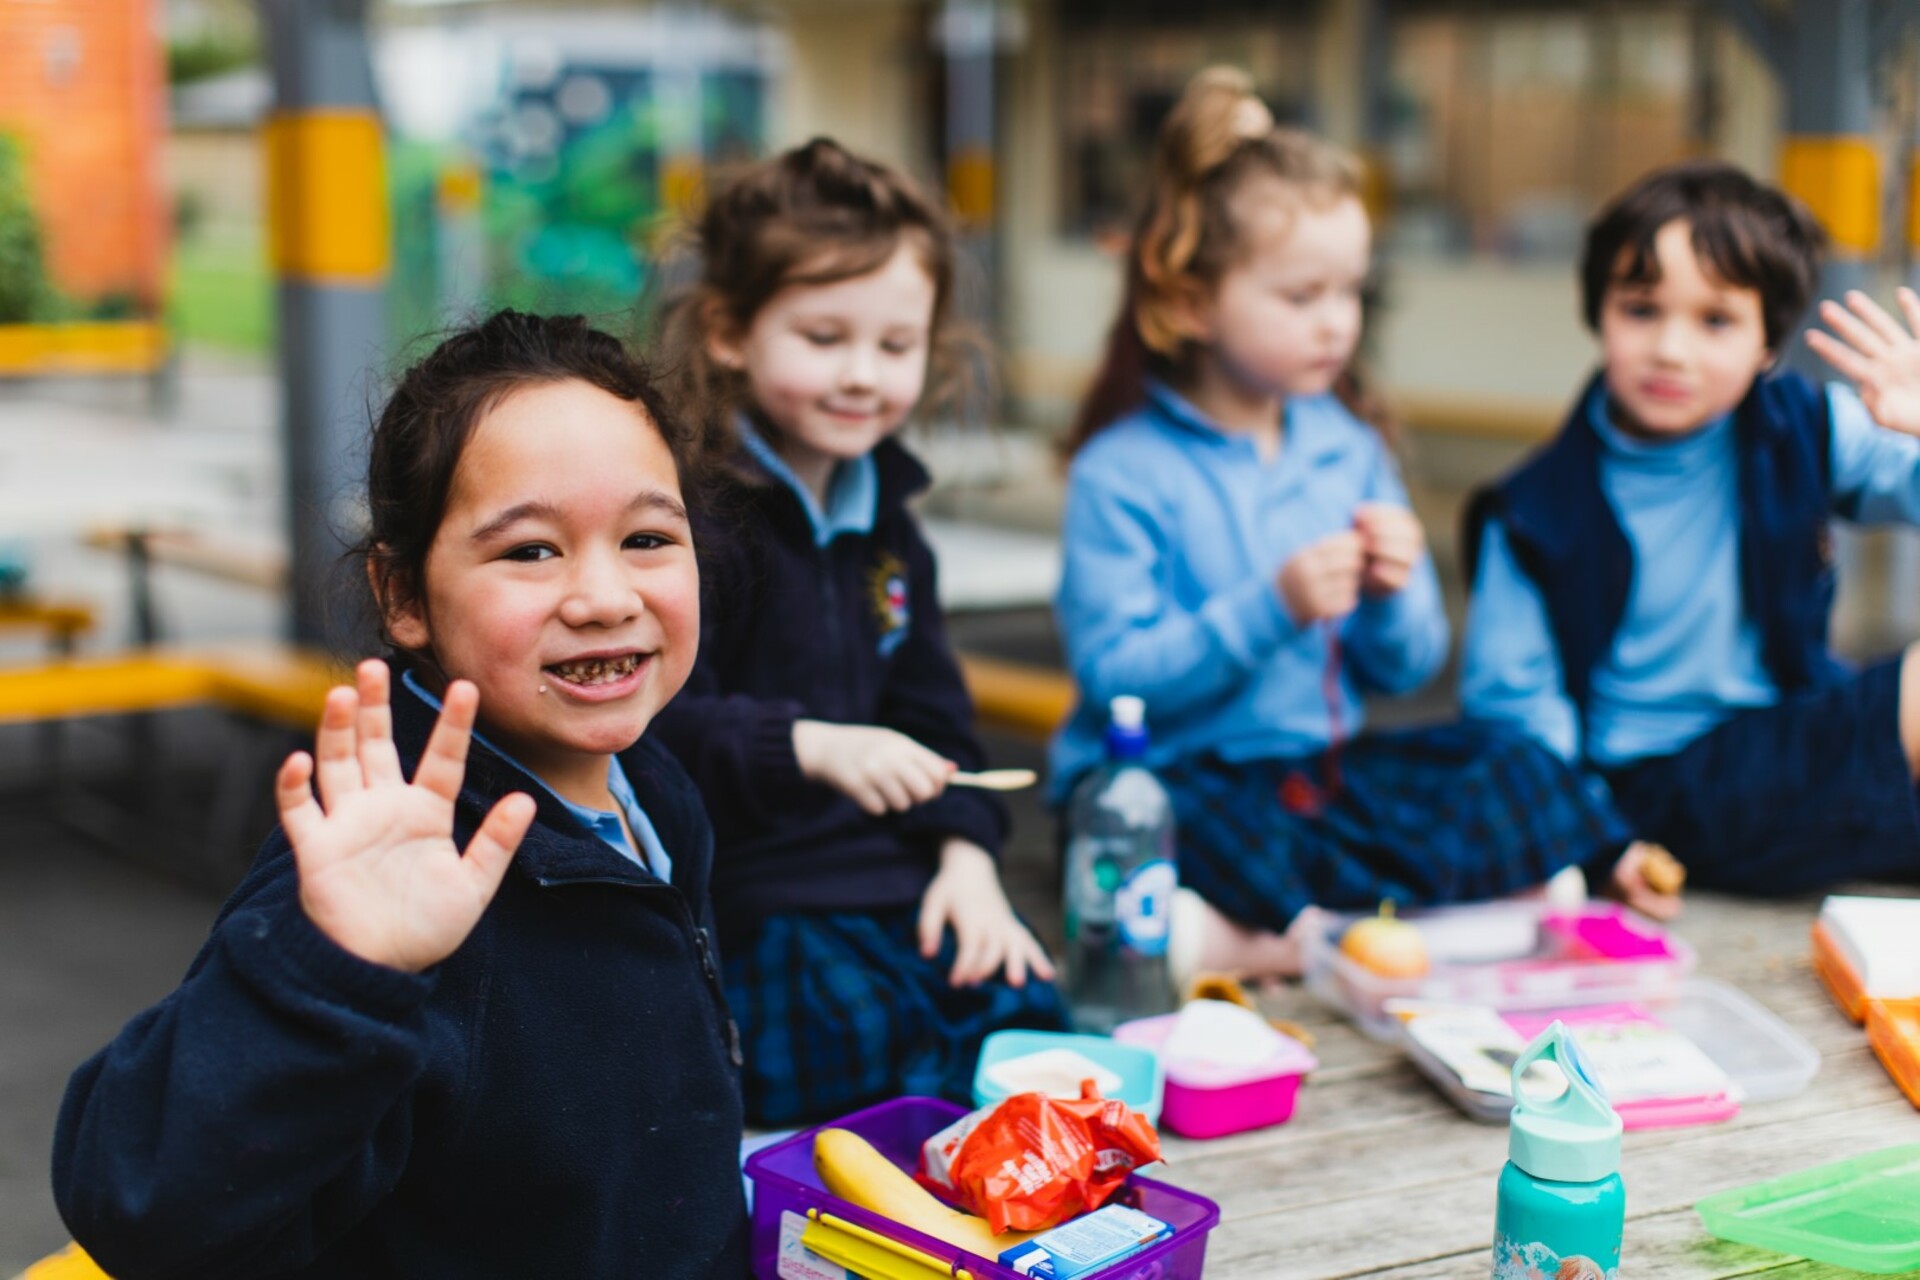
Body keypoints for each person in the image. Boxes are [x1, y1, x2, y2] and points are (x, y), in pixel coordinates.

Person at [52, 312, 749, 1278]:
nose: (603, 595)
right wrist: (336, 969)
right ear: (405, 597)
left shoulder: (657, 793)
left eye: (646, 537)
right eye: (530, 551)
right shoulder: (380, 876)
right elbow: (140, 1201)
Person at [1051, 67, 1639, 987]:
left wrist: (1397, 597)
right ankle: (1371, 926)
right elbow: (1113, 677)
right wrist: (1271, 607)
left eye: (1350, 292)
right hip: (1179, 775)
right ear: (1190, 302)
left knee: (1504, 760)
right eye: (1300, 297)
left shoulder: (1346, 444)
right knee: (1162, 827)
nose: (1336, 324)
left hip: (1315, 776)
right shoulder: (1122, 470)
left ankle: (1282, 936)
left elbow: (1403, 669)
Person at [652, 138, 1066, 1127]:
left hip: (896, 878)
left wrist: (970, 862)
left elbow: (938, 717)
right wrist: (810, 744)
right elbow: (654, 726)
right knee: (868, 1047)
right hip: (757, 899)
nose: (863, 376)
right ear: (728, 332)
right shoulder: (697, 520)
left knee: (1032, 1022)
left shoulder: (891, 528)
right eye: (825, 336)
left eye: (894, 345)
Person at [1463, 159, 1920, 898]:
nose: (1671, 349)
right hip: (1650, 799)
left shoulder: (1807, 427)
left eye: (1715, 320)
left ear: (1768, 346)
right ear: (1598, 312)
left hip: (1792, 745)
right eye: (1641, 309)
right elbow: (1514, 718)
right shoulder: (1533, 511)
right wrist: (1598, 846)